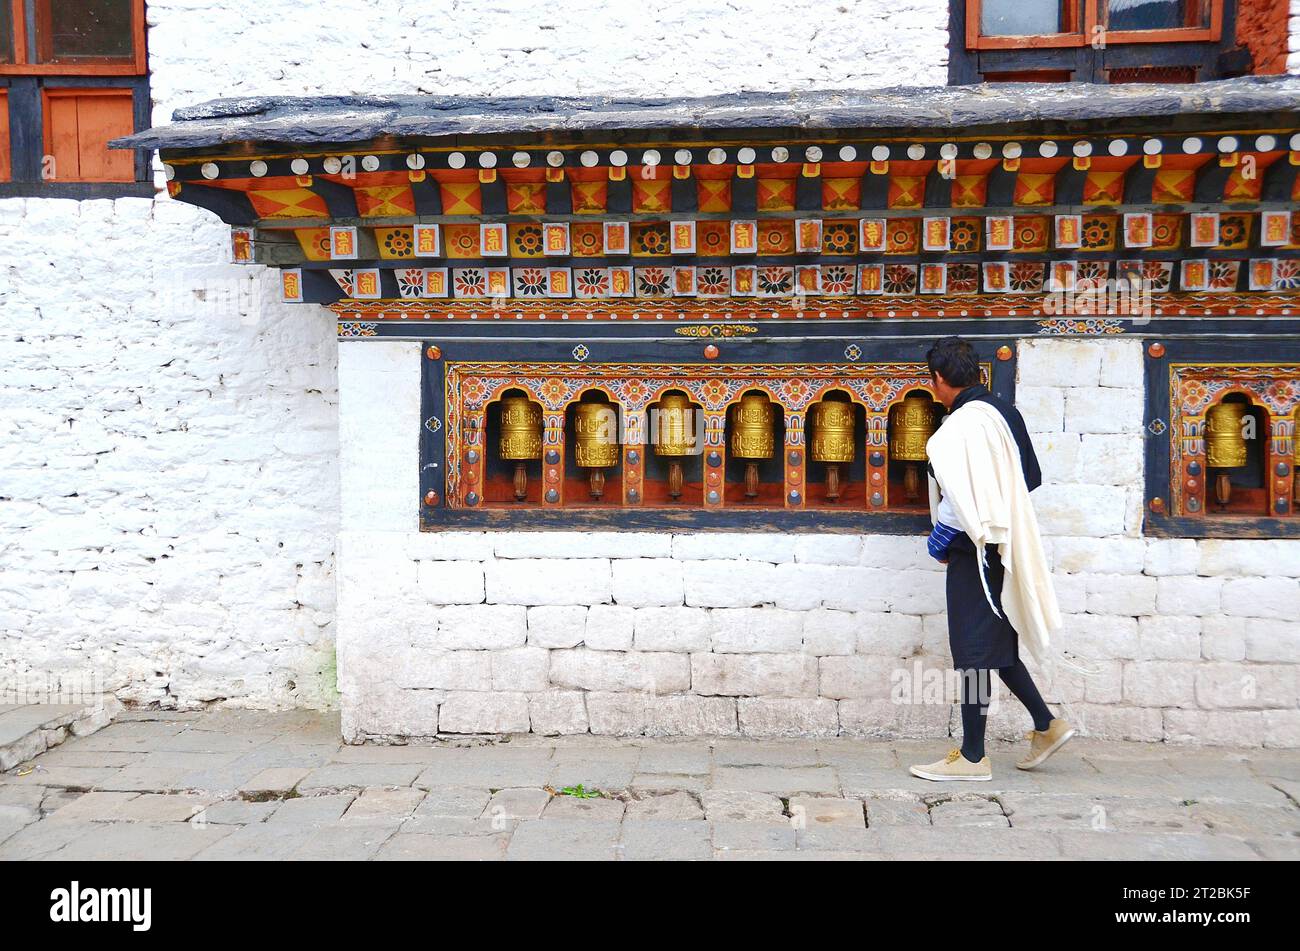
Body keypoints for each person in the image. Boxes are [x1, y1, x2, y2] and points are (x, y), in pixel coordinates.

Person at [908, 336, 1074, 782]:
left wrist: (941, 542)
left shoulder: (958, 428)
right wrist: (1001, 515)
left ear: (939, 379)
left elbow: (959, 498)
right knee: (993, 646)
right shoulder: (1005, 415)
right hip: (1006, 545)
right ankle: (1046, 725)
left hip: (974, 551)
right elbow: (1029, 479)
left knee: (974, 652)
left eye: (933, 381)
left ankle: (973, 756)